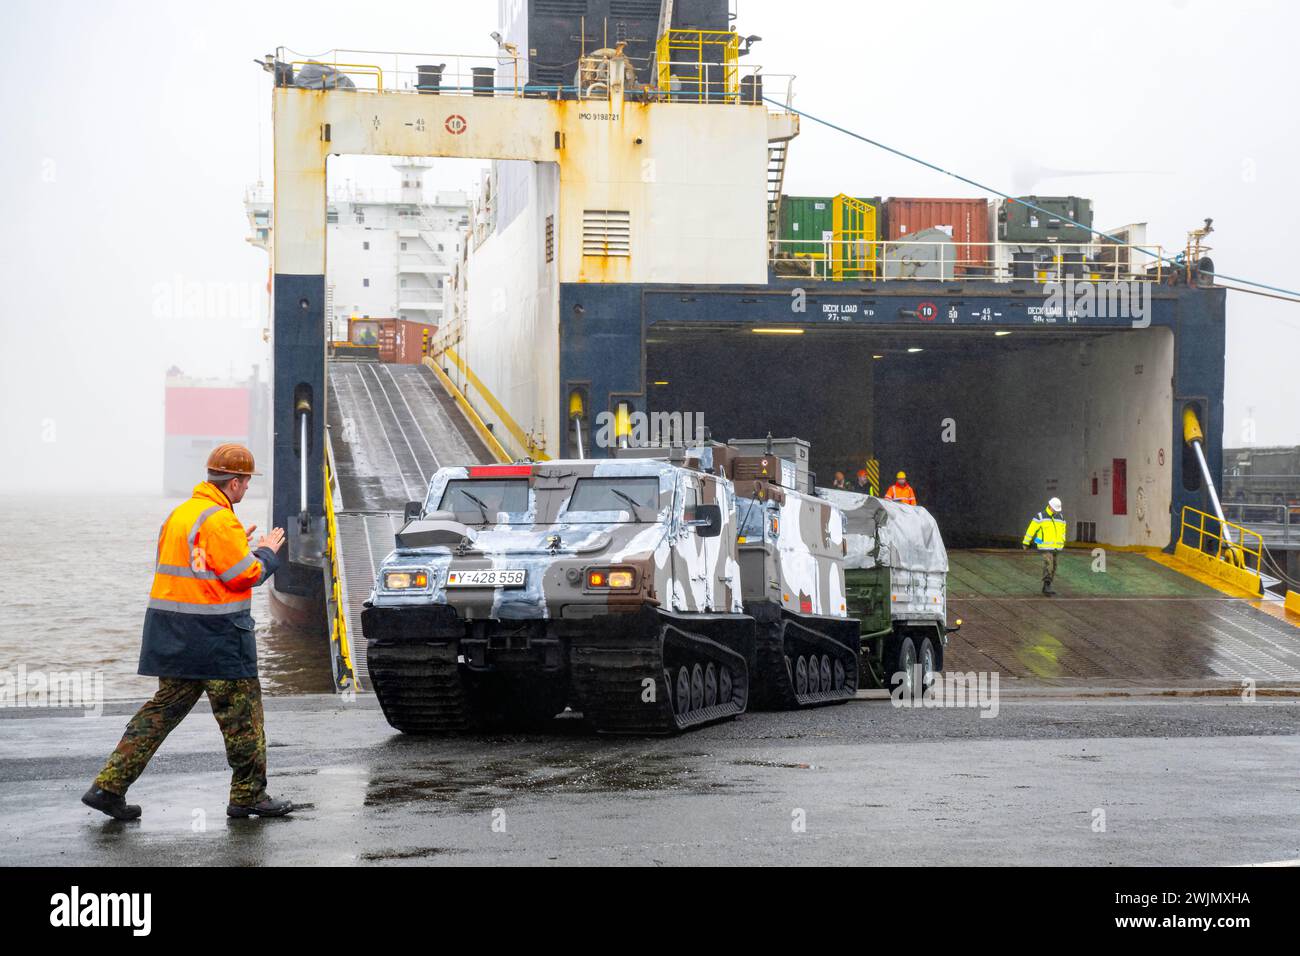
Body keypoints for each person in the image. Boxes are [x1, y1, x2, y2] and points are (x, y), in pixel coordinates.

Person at [82, 443, 292, 821]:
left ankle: (108, 787)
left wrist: (235, 546)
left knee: (159, 715)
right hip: (218, 640)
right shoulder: (219, 520)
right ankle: (248, 796)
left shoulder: (180, 516)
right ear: (234, 482)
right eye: (245, 482)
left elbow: (197, 567)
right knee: (243, 721)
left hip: (174, 639)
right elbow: (246, 575)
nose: (246, 489)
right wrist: (265, 552)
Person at [1022, 496, 1067, 596]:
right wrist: (1026, 542)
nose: (1056, 511)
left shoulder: (1061, 517)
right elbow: (1031, 530)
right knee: (1049, 563)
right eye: (1055, 509)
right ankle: (1047, 585)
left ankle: (1047, 585)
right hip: (1044, 546)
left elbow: (1063, 530)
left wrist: (1062, 541)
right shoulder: (1040, 516)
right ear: (1050, 506)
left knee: (1054, 566)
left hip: (1056, 547)